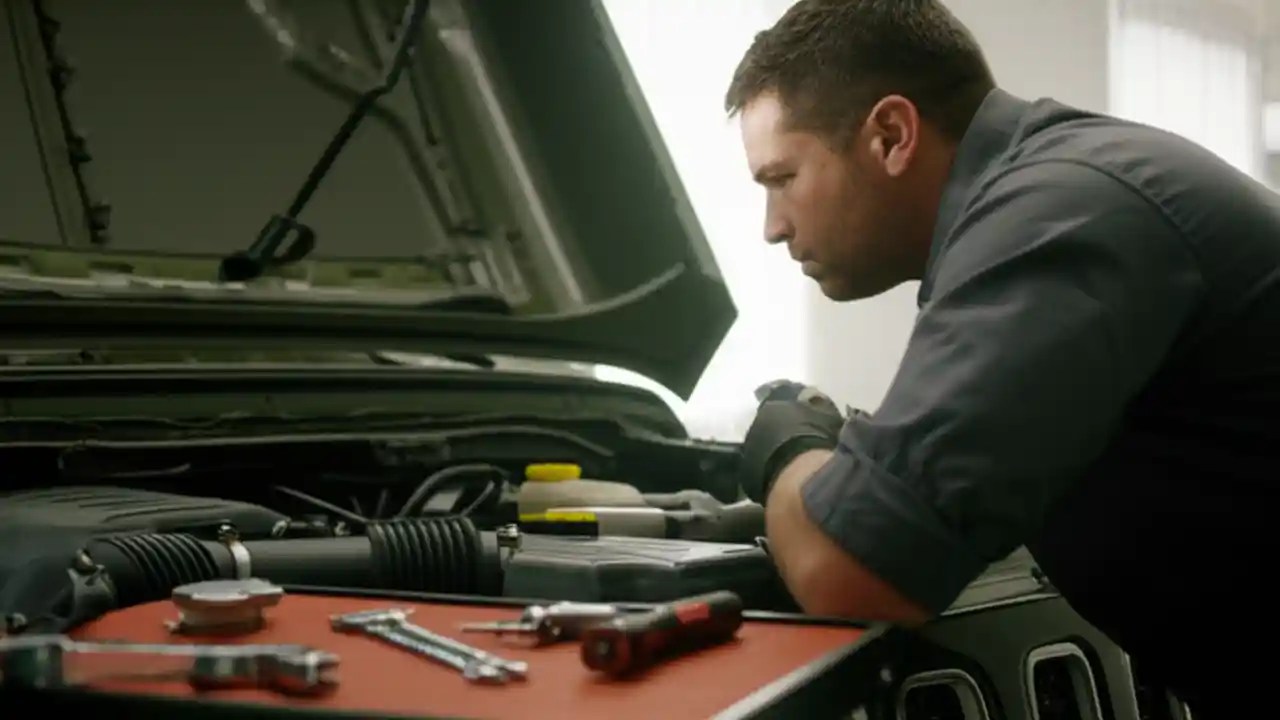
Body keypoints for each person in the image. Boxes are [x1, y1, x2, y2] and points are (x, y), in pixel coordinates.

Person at [726, 0, 1280, 715]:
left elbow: (854, 572)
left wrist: (788, 451)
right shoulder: (1069, 179)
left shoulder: (1060, 213)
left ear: (891, 135)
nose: (772, 227)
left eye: (782, 178)